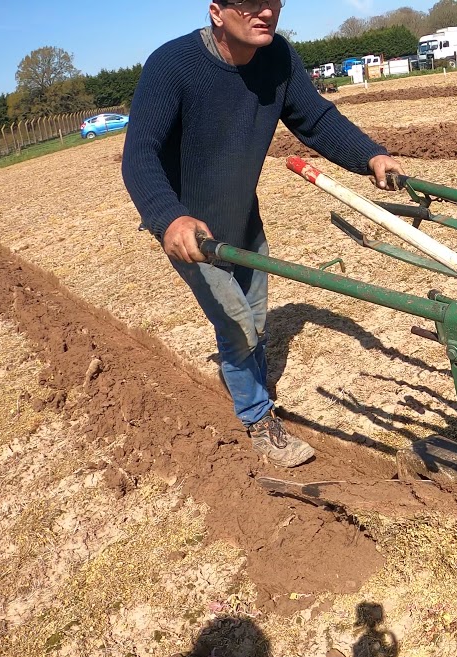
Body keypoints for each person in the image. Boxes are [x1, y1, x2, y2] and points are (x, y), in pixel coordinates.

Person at [122, 0, 404, 467]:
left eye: (273, 1)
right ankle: (257, 417)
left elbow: (316, 119)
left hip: (243, 218)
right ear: (217, 12)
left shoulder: (278, 58)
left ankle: (247, 376)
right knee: (236, 324)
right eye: (251, 3)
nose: (266, 12)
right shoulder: (171, 65)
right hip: (193, 233)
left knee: (255, 318)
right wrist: (168, 218)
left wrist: (370, 155)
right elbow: (140, 155)